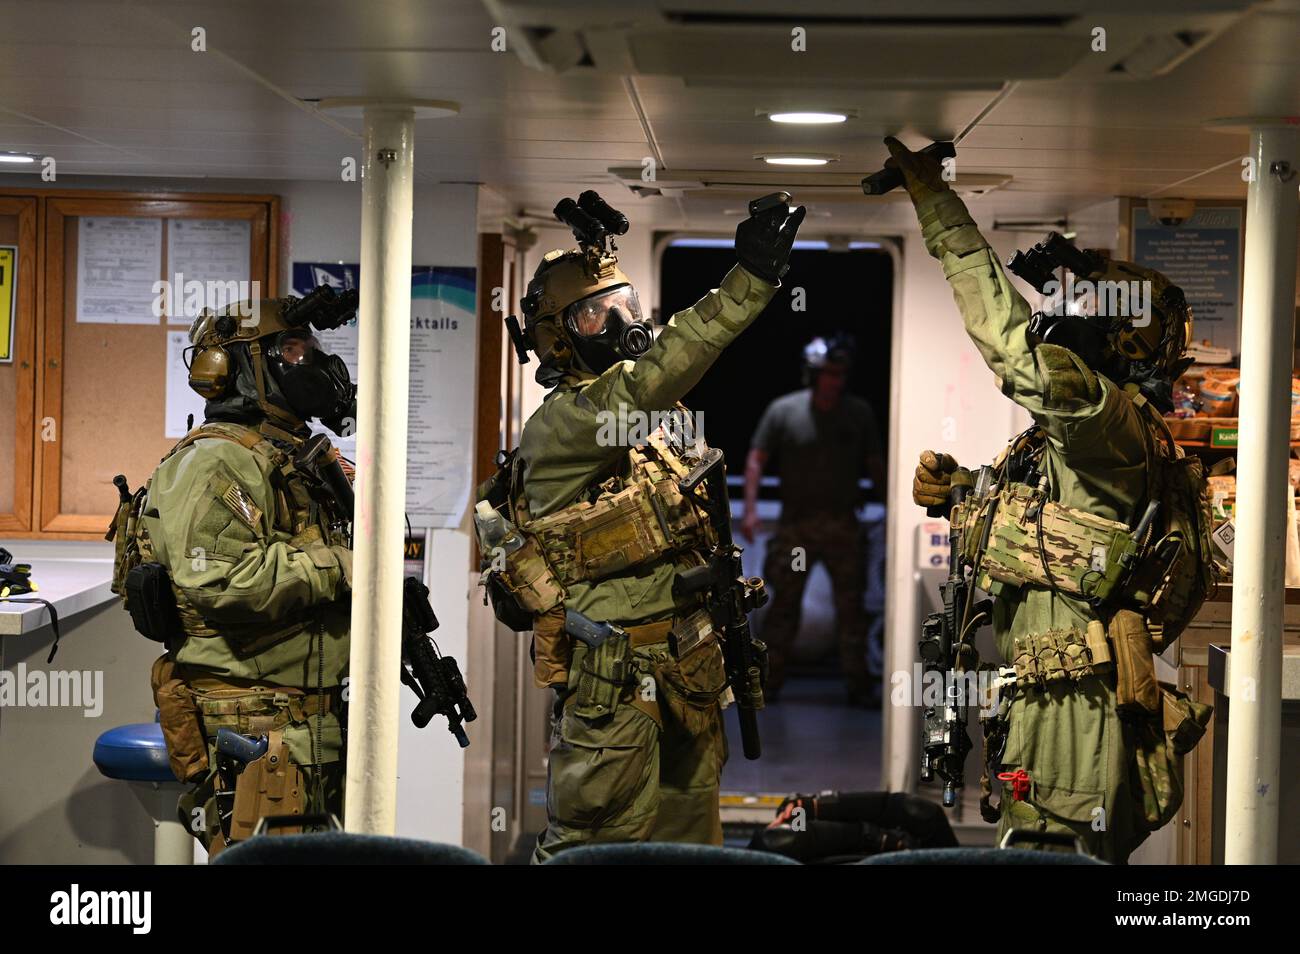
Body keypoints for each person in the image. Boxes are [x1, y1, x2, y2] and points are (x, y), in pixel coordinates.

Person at [887, 136, 1213, 862]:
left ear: (1123, 340)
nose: (1060, 316)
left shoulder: (1107, 421)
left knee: (1056, 856)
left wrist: (939, 209)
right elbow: (1055, 529)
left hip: (1080, 710)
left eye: (1083, 306)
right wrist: (964, 493)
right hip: (1047, 701)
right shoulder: (1067, 442)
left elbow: (1009, 349)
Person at [476, 190, 804, 862]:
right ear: (560, 337)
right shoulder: (568, 424)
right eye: (599, 314)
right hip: (616, 690)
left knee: (692, 849)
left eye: (627, 305)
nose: (625, 323)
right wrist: (750, 282)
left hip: (687, 670)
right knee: (597, 851)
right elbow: (651, 377)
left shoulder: (644, 431)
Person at [109, 289, 358, 857]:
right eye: (291, 351)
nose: (314, 364)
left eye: (309, 348)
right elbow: (222, 580)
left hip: (300, 723)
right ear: (241, 370)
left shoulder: (282, 455)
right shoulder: (217, 460)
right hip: (257, 723)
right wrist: (345, 566)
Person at [741, 335, 886, 705]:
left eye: (840, 374)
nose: (835, 381)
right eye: (828, 374)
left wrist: (893, 511)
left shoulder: (858, 413)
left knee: (851, 608)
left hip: (842, 526)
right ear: (813, 375)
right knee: (784, 605)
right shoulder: (784, 411)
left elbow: (875, 465)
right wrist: (753, 509)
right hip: (797, 530)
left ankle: (858, 686)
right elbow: (757, 459)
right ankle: (768, 683)